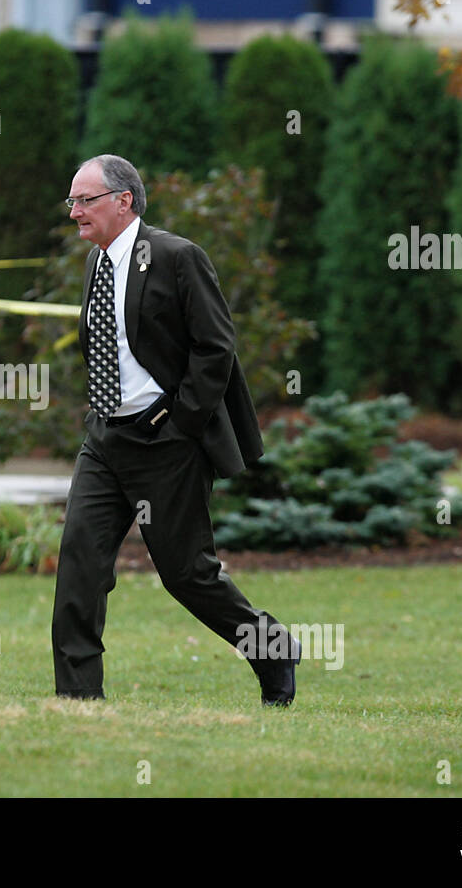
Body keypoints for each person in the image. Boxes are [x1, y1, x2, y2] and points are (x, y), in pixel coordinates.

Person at [52, 154, 300, 705]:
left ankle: (271, 647)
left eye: (85, 200)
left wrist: (177, 421)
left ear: (124, 201)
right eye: (71, 201)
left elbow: (215, 348)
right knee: (79, 563)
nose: (74, 212)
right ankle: (77, 698)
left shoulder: (176, 256)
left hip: (165, 443)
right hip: (105, 440)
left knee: (188, 574)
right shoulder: (97, 264)